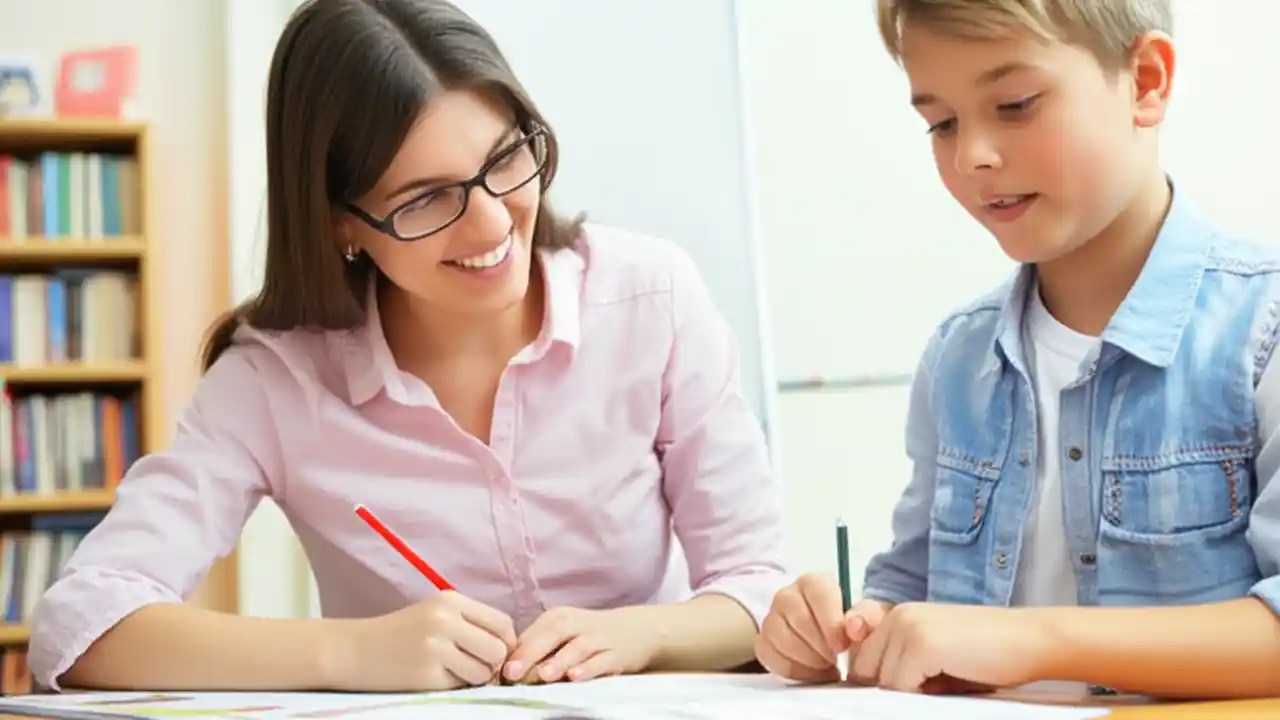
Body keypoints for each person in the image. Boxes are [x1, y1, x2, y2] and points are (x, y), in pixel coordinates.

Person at [29, 0, 787, 693]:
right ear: (342, 224)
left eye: (505, 160)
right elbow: (82, 623)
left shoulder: (648, 298)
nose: (491, 224)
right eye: (427, 199)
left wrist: (639, 634)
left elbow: (758, 587)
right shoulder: (276, 378)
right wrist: (352, 654)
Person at [756, 0, 1280, 699]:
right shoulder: (959, 358)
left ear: (1147, 81)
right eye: (941, 123)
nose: (972, 154)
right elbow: (914, 598)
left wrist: (1034, 640)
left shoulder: (1261, 331)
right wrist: (842, 629)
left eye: (1016, 104)